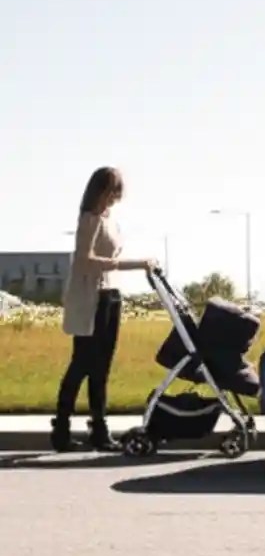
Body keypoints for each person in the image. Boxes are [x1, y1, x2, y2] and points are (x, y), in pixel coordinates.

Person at [51, 167, 157, 452]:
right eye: (111, 191)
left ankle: (99, 429)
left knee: (102, 368)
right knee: (81, 364)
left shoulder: (110, 221)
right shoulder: (90, 220)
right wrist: (135, 264)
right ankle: (61, 428)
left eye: (117, 192)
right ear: (98, 191)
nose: (114, 198)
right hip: (92, 300)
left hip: (111, 295)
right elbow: (85, 261)